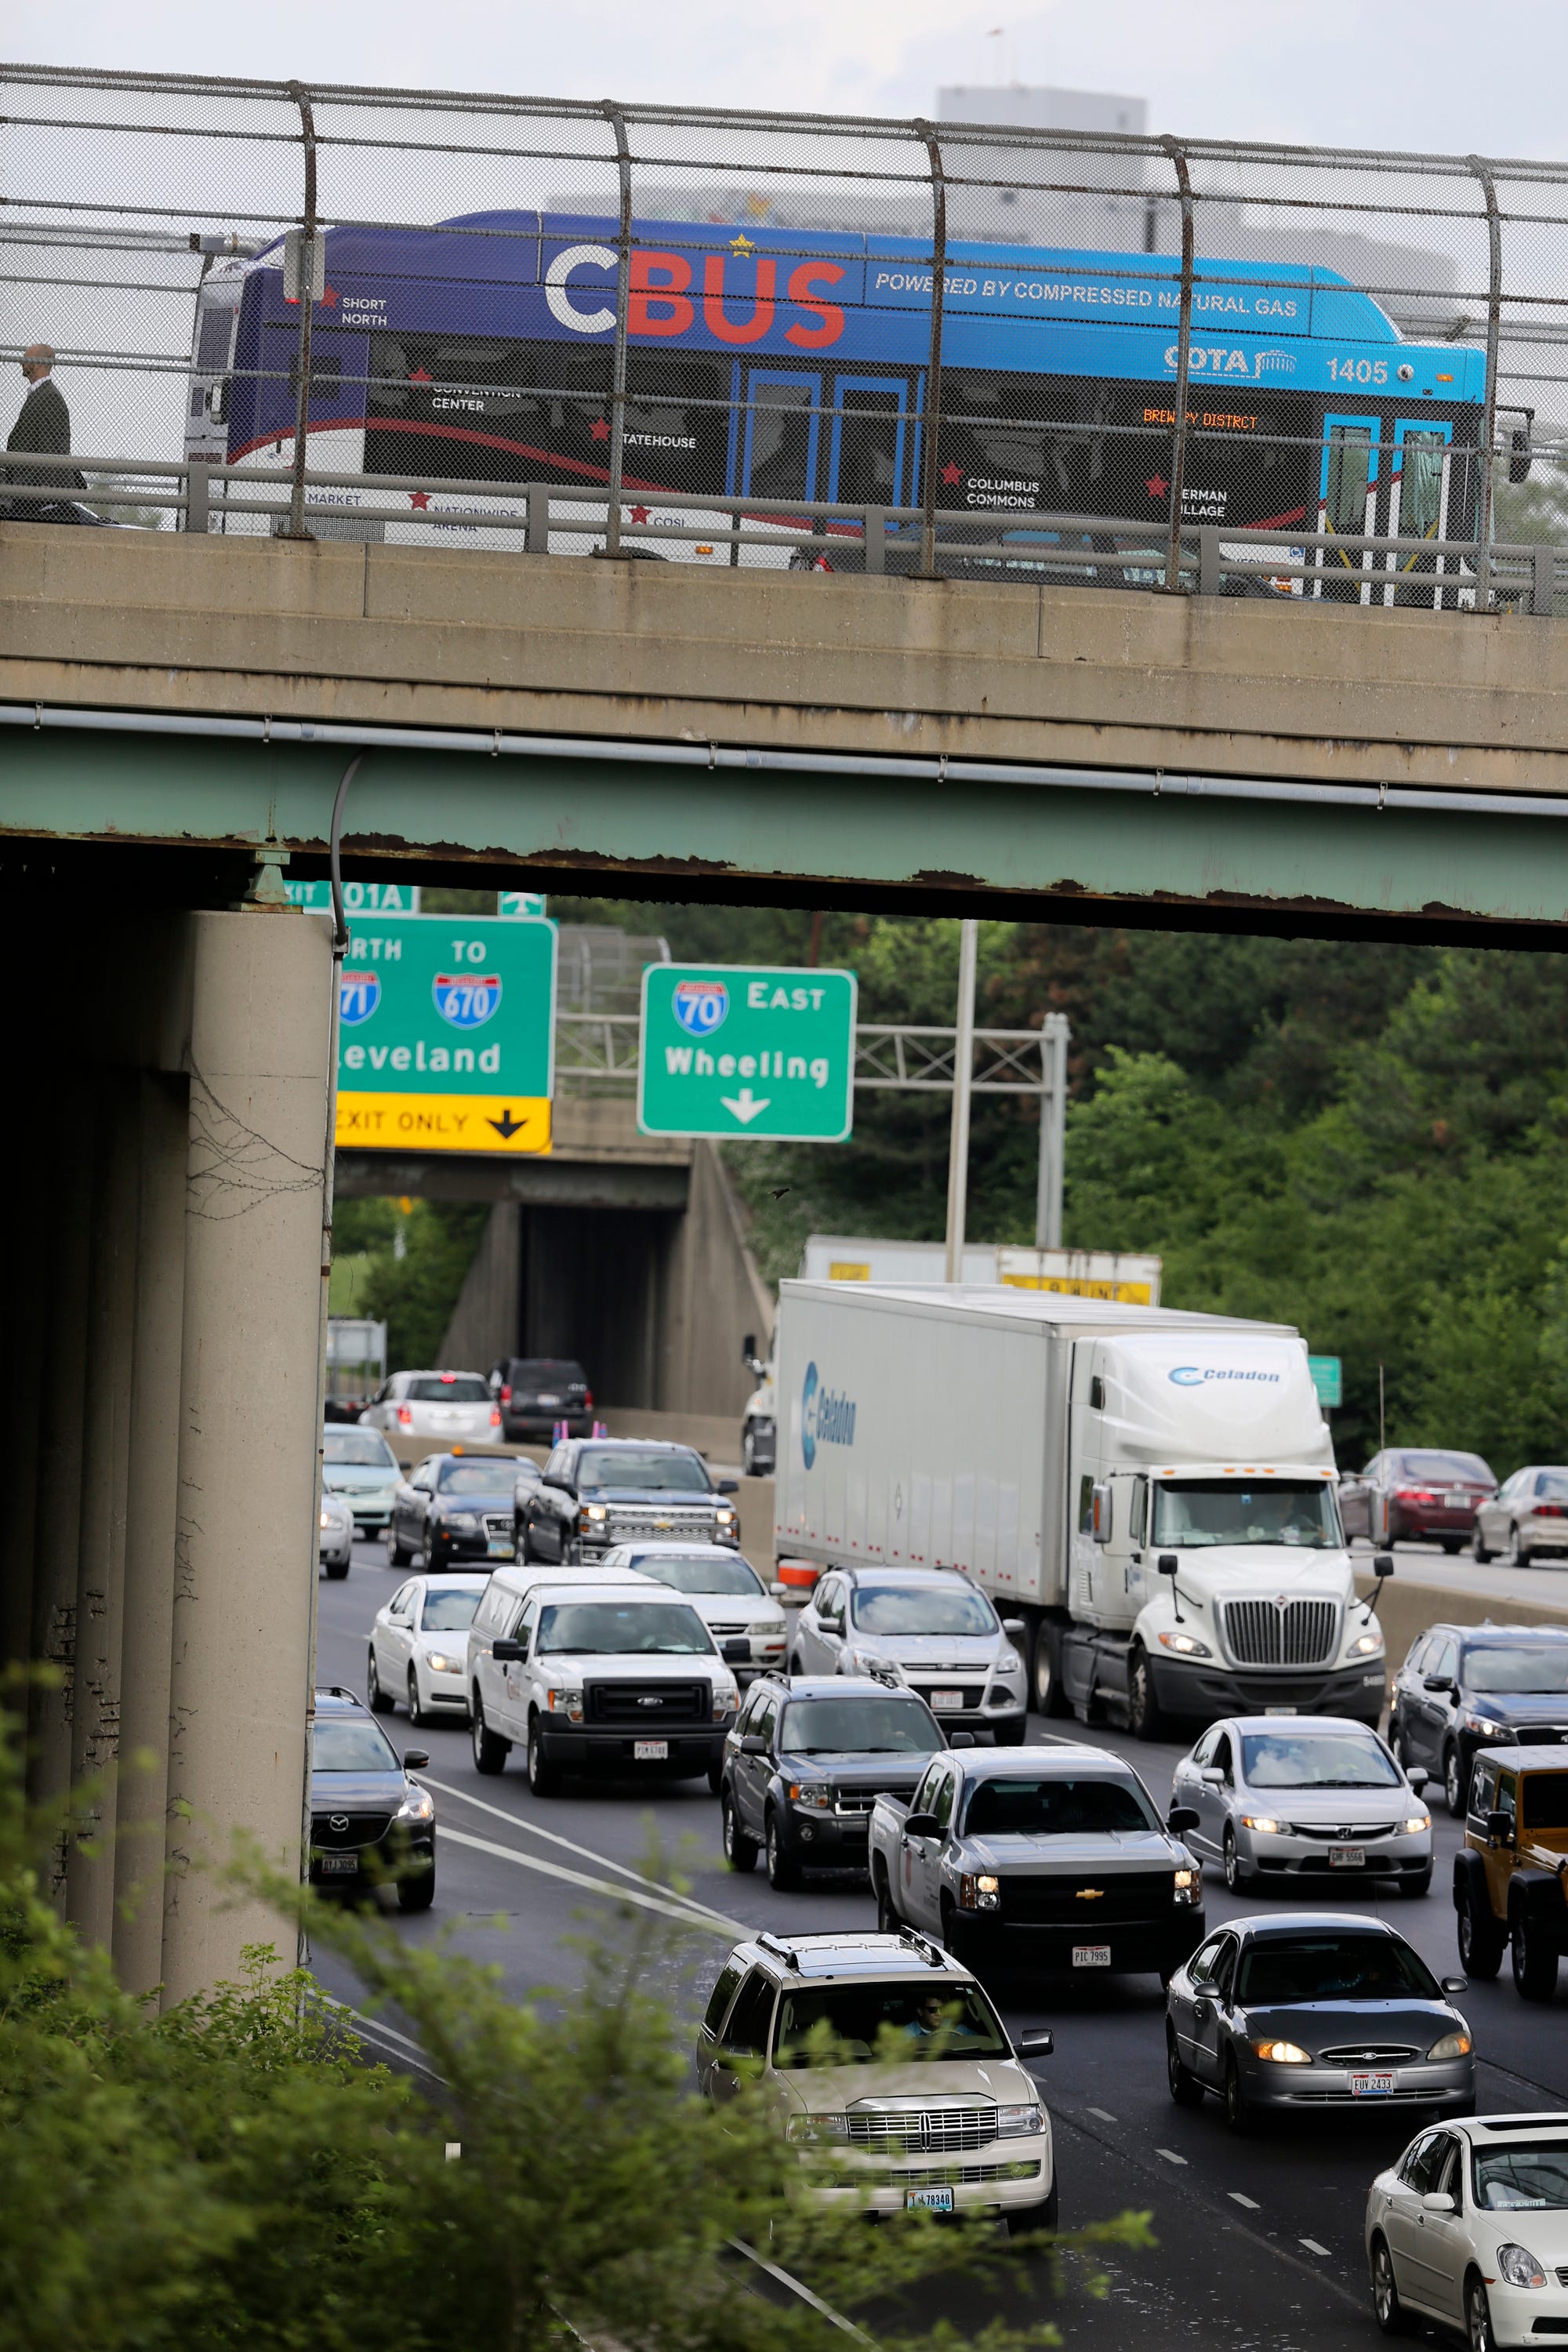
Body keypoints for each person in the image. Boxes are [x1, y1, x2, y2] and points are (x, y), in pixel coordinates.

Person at [5, 345, 86, 499]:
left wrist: (44, 490)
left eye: (26, 359)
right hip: (31, 486)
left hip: (37, 491)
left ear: (39, 363)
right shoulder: (41, 393)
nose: (21, 362)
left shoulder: (49, 396)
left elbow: (52, 445)